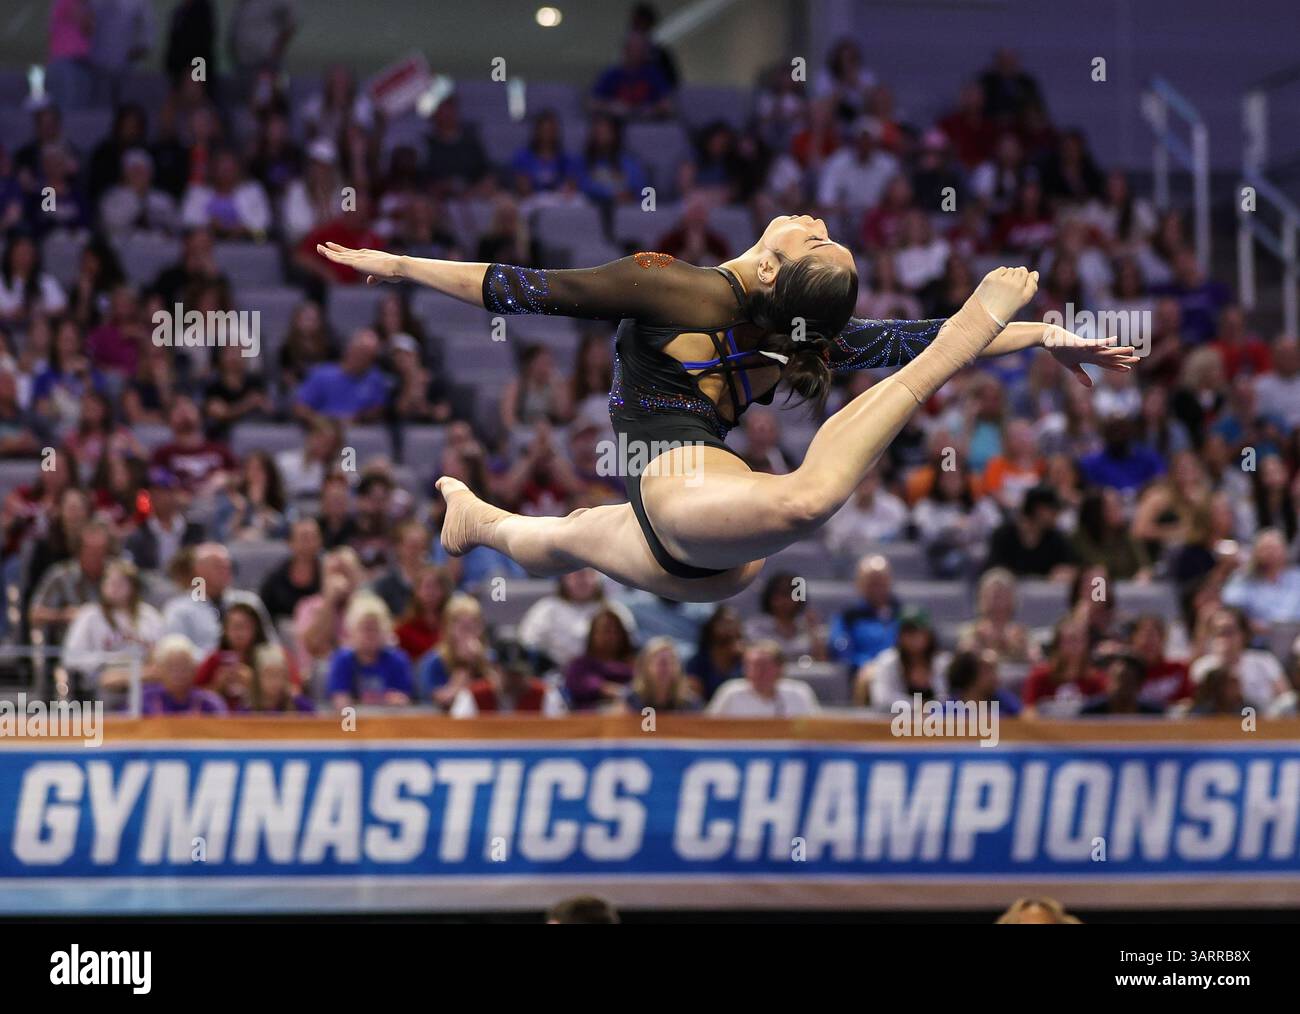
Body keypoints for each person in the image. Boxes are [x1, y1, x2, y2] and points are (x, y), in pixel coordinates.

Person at [318, 219, 1131, 603]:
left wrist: (397, 262)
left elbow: (525, 288)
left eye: (817, 240)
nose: (815, 221)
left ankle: (956, 352)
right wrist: (1043, 333)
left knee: (808, 497)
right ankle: (473, 516)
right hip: (704, 555)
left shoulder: (685, 288)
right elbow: (895, 339)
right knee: (552, 537)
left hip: (689, 506)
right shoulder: (798, 333)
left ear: (774, 271)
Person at [325, 593, 413, 709]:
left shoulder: (397, 660)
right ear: (352, 631)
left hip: (387, 721)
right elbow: (339, 700)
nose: (370, 635)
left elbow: (403, 700)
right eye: (365, 629)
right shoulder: (342, 660)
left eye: (375, 629)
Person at [707, 640, 819, 717]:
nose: (757, 672)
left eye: (763, 666)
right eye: (750, 666)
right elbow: (708, 730)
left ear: (780, 668)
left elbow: (818, 732)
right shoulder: (730, 693)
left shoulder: (799, 693)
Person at [563, 608, 636, 710]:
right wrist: (616, 691)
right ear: (592, 634)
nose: (611, 636)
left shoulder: (634, 665)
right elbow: (583, 685)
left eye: (616, 631)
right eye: (606, 631)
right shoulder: (580, 665)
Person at [142, 634, 227, 716]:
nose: (178, 673)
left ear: (194, 669)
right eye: (171, 667)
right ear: (160, 669)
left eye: (184, 666)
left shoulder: (209, 703)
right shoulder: (145, 699)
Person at [624, 636, 701, 713]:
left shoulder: (690, 703)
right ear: (646, 666)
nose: (666, 668)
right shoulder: (630, 699)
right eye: (661, 663)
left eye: (671, 662)